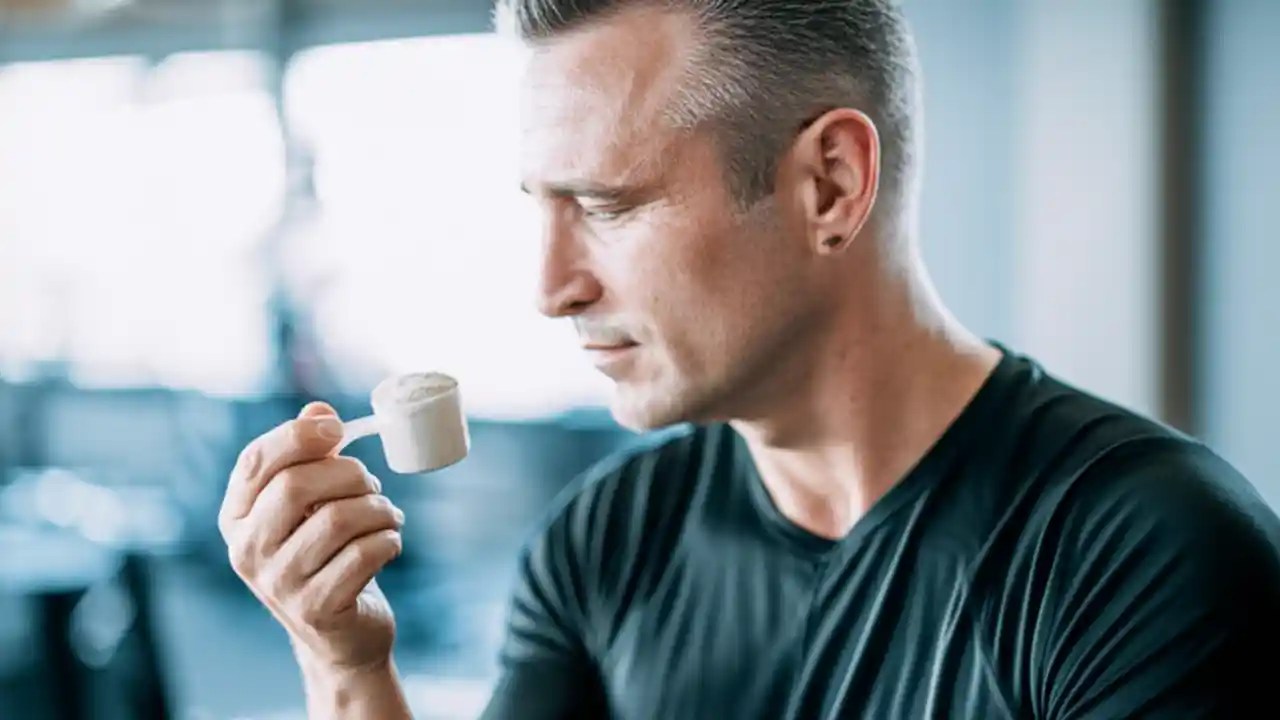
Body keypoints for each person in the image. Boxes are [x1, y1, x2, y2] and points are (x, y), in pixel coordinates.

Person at [218, 1, 1280, 717]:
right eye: (541, 208)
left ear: (827, 184)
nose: (551, 289)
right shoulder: (601, 544)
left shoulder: (1147, 556)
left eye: (607, 205)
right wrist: (345, 662)